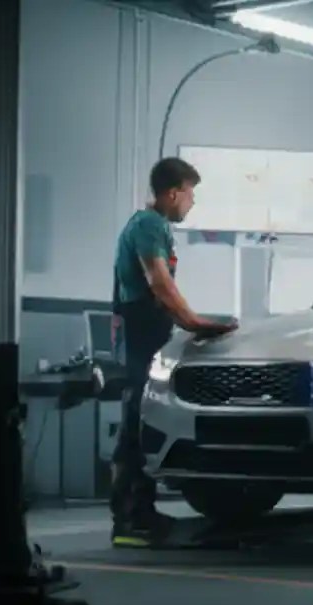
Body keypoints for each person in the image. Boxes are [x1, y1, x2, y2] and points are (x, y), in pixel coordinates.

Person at [110, 157, 236, 547]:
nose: (191, 203)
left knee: (140, 420)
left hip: (145, 329)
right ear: (173, 192)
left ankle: (138, 512)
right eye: (190, 194)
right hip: (142, 329)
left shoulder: (147, 224)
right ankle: (131, 520)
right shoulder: (149, 225)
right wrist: (195, 323)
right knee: (136, 421)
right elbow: (159, 284)